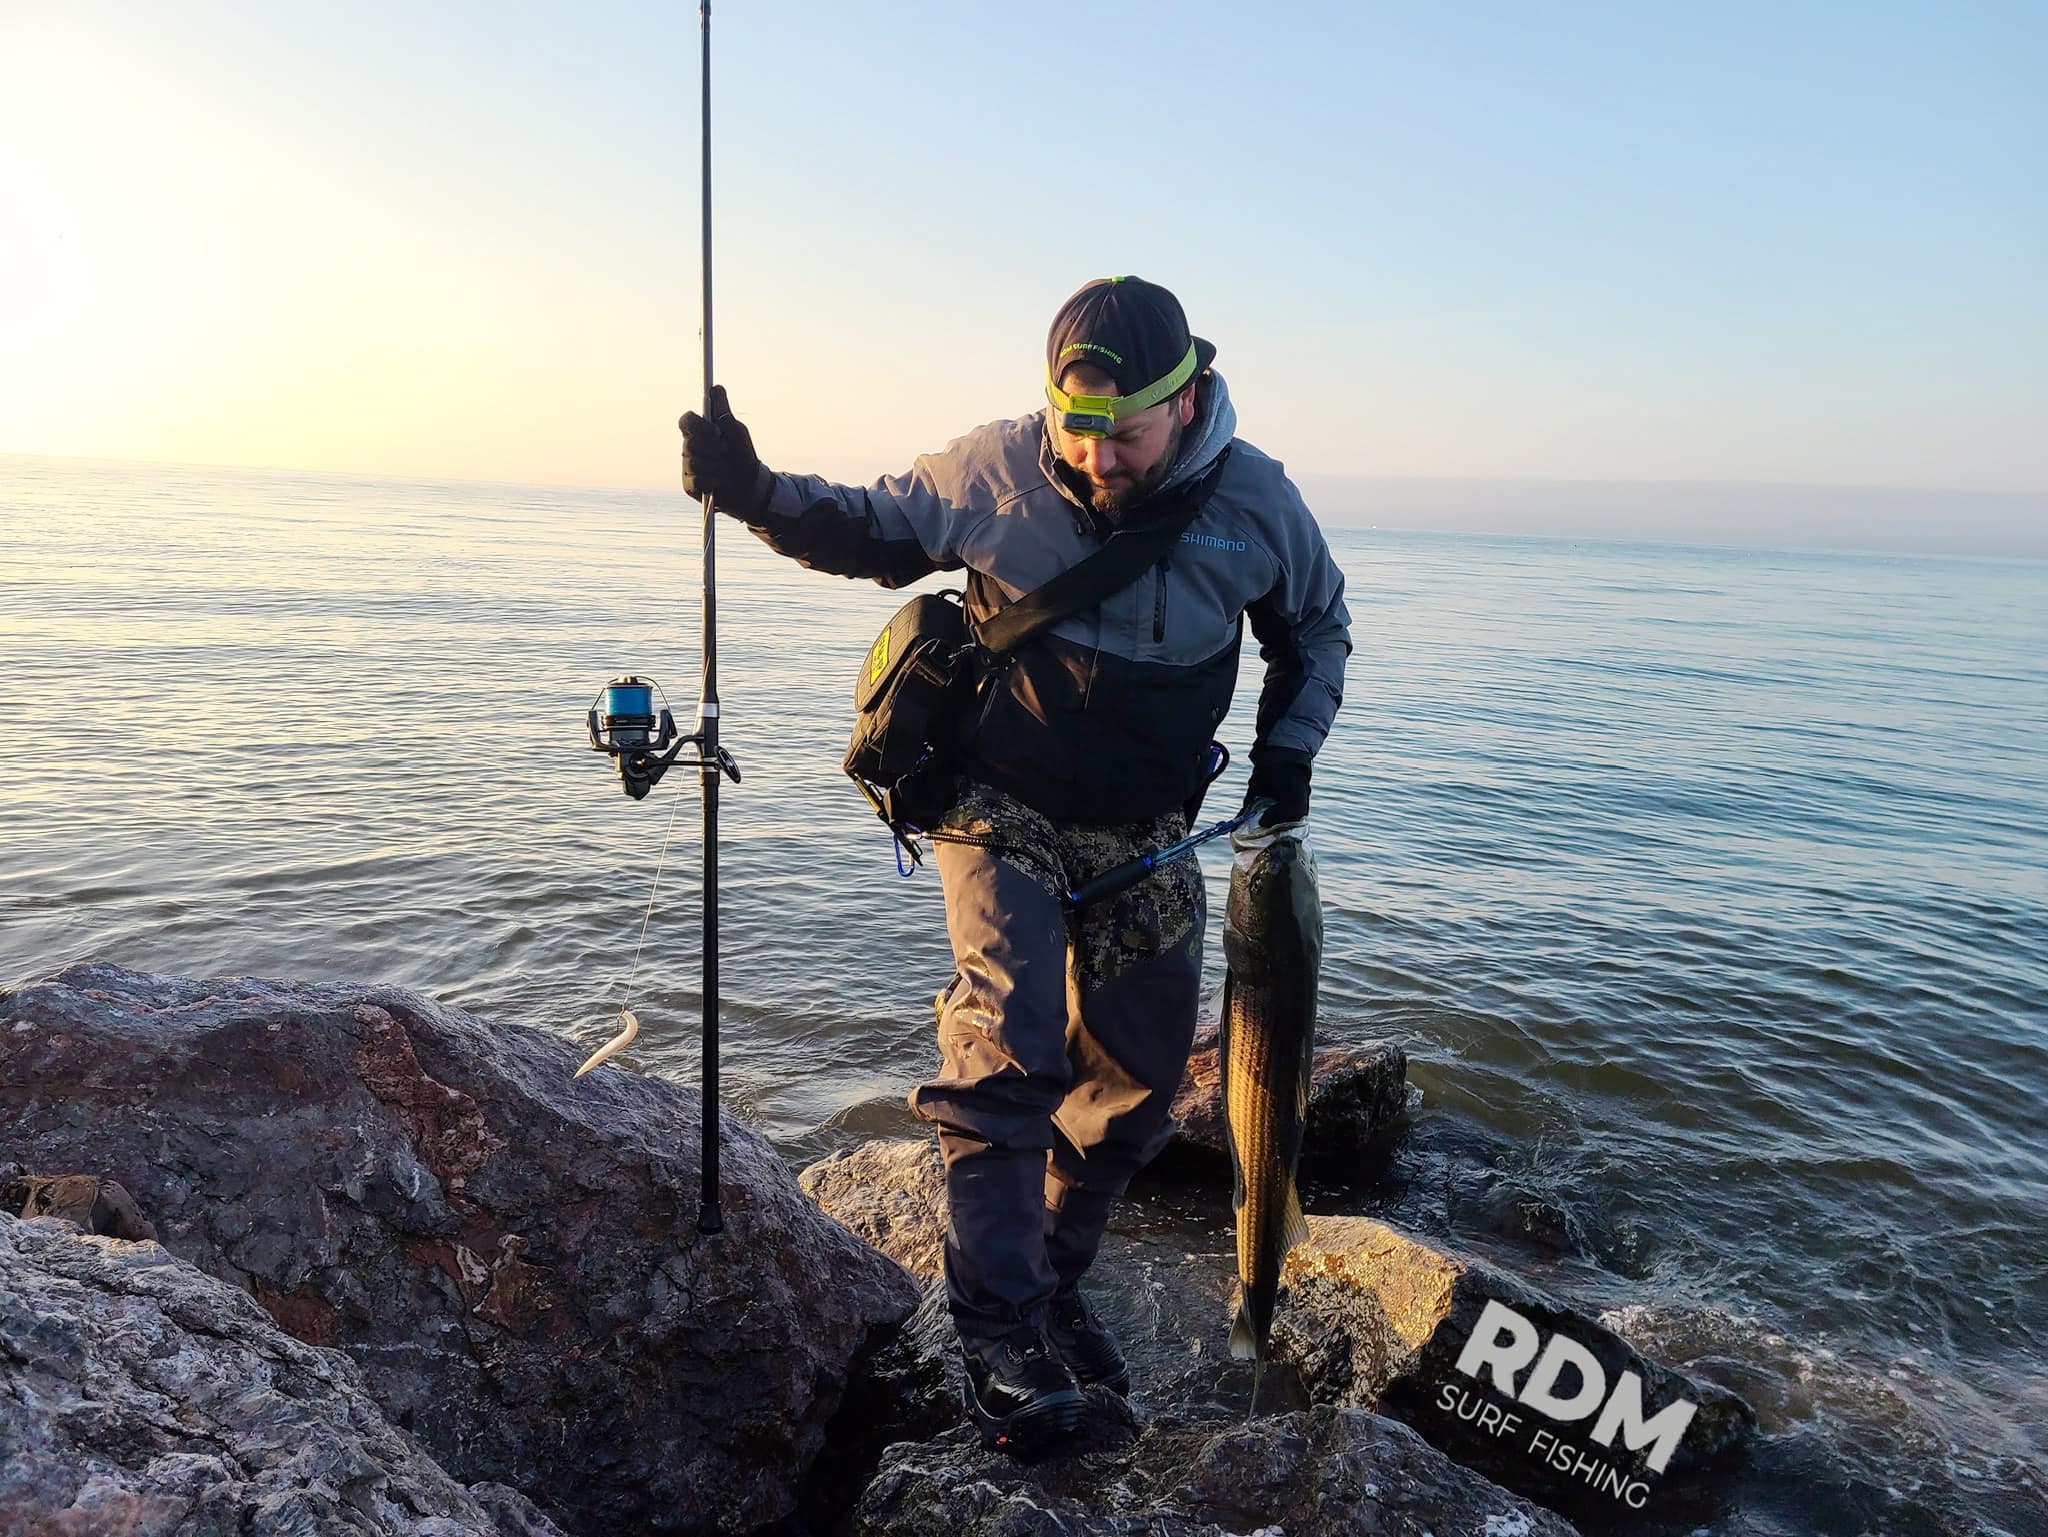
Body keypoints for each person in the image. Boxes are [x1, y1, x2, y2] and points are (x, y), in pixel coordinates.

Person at [679, 276, 1349, 1450]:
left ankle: (1046, 1282)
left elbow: (1315, 628)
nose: (1094, 460)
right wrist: (752, 492)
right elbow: (864, 525)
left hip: (1148, 821)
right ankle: (991, 1326)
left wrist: (1288, 752)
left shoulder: (1258, 506)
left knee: (1138, 1082)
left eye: (1123, 434)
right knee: (1007, 1038)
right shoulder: (996, 466)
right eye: (1074, 430)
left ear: (1186, 400)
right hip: (999, 799)